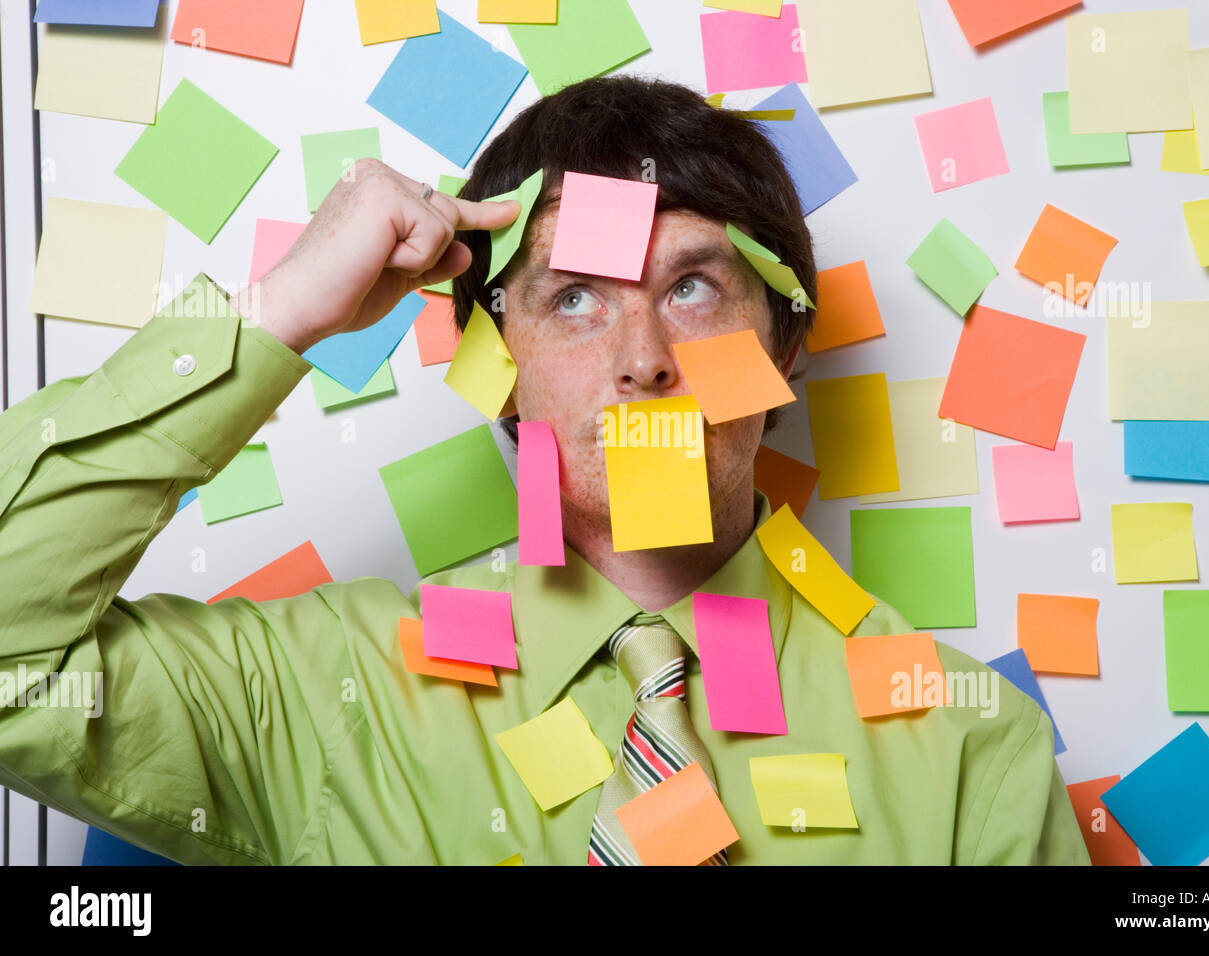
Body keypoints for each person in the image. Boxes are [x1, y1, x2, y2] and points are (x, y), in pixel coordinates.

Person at [0, 75, 1090, 865]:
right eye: (573, 297)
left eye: (696, 287)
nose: (643, 358)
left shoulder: (965, 737)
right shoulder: (328, 692)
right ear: (497, 360)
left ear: (782, 347)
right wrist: (283, 313)